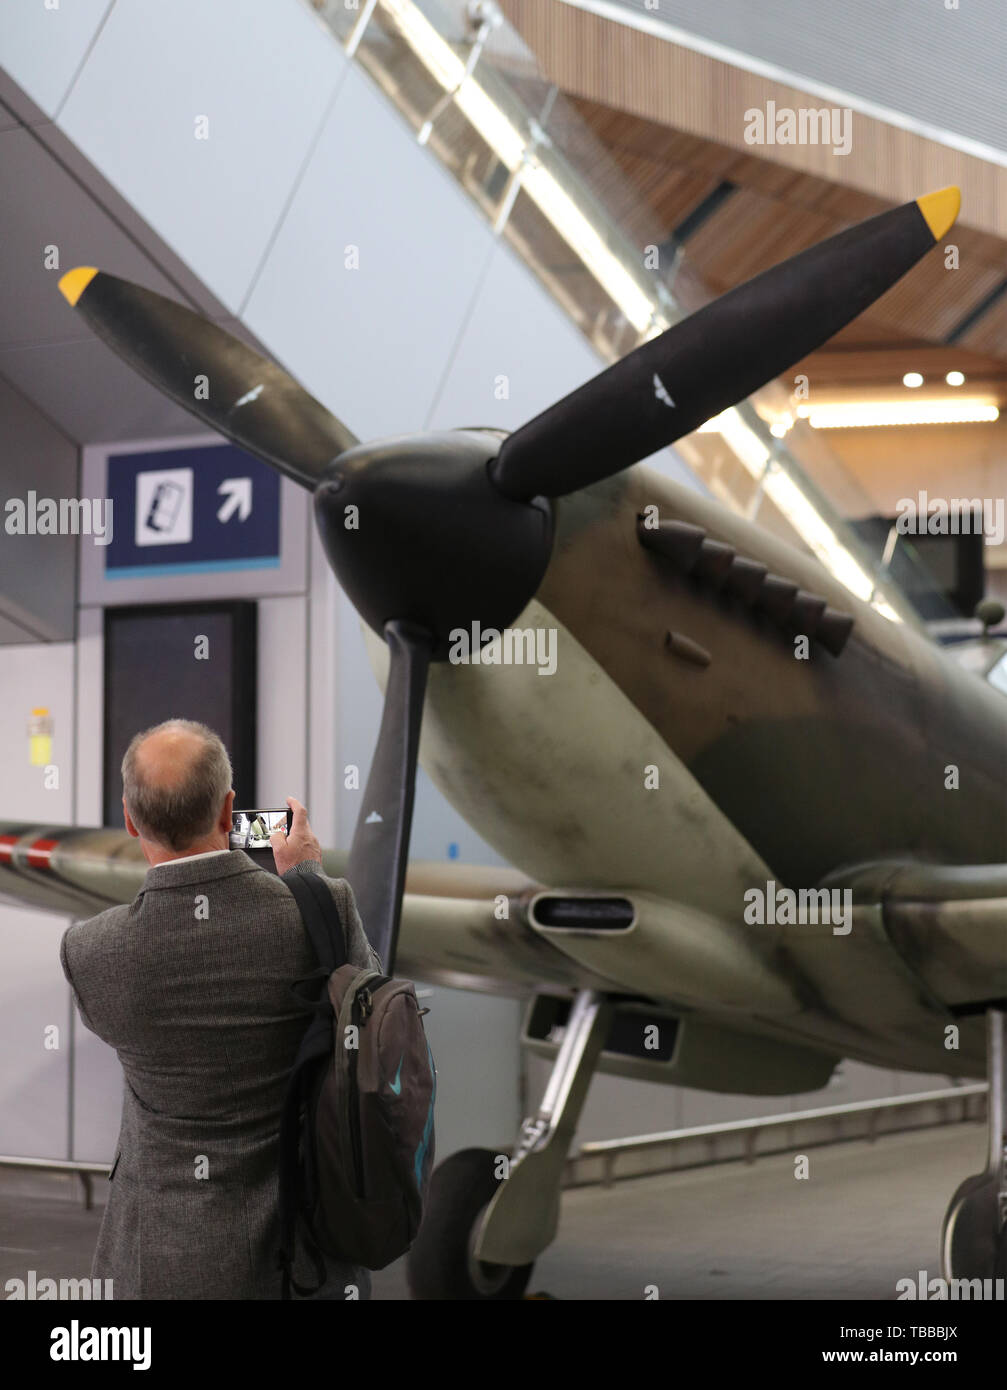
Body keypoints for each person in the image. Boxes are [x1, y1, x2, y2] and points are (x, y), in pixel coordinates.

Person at [59, 718, 381, 1300]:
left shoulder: (90, 950)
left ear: (131, 819)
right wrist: (307, 881)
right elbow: (372, 1022)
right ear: (230, 810)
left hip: (157, 1258)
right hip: (303, 1254)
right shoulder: (320, 908)